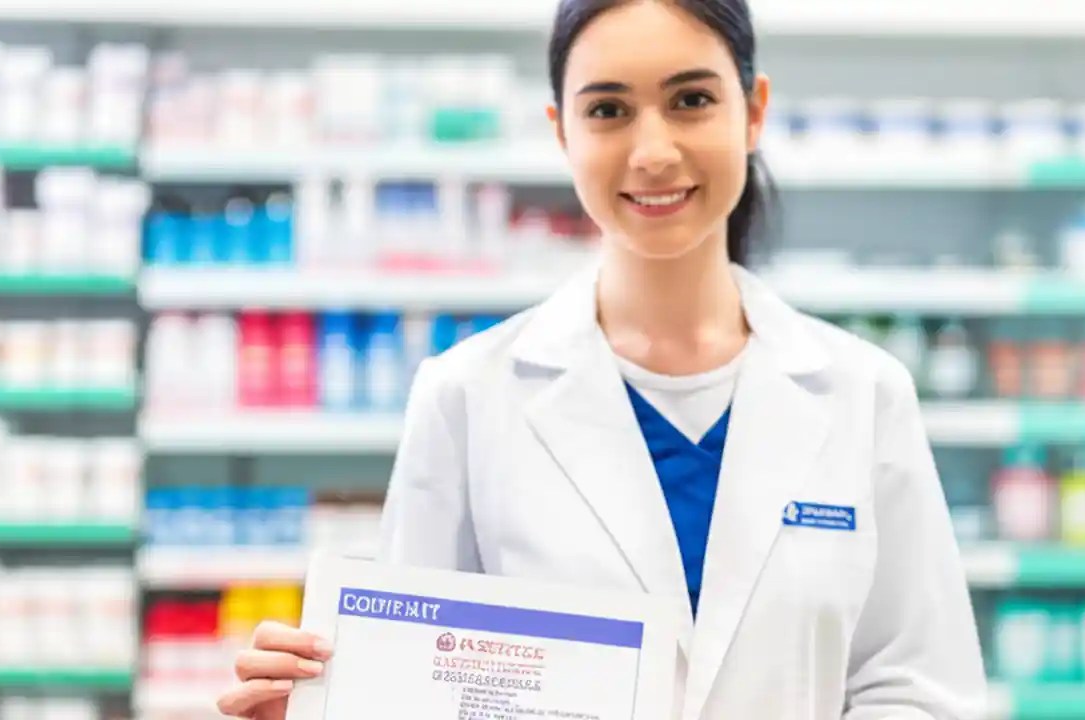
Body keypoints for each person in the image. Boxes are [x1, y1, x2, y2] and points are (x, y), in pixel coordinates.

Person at [216, 0, 988, 717]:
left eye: (691, 100)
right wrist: (339, 701)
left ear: (752, 112)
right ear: (562, 131)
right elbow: (419, 691)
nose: (653, 151)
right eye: (609, 110)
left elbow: (920, 688)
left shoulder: (863, 392)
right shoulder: (466, 396)